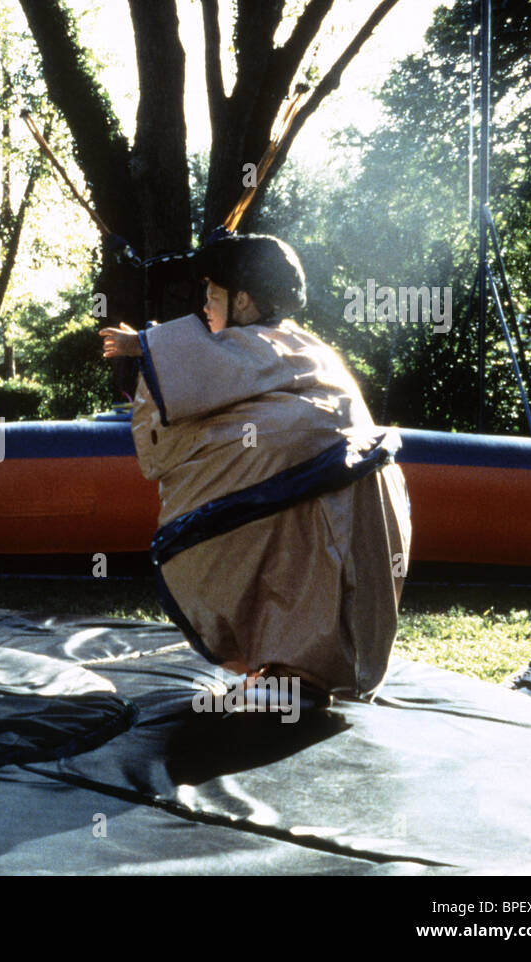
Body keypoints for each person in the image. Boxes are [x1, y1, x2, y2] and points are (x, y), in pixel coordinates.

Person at [100, 233, 410, 702]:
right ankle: (300, 668)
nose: (205, 308)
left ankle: (297, 669)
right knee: (297, 569)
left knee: (275, 555)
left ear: (243, 300)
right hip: (349, 491)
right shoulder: (306, 347)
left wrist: (142, 344)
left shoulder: (256, 346)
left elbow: (194, 372)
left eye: (213, 295)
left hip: (313, 488)